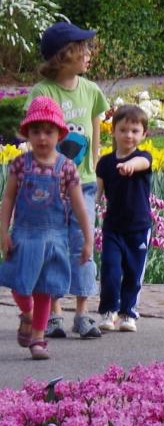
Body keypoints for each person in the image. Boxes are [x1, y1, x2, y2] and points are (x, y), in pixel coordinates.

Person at [27, 20, 107, 338]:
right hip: (51, 184)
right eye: (82, 49)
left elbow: (95, 129)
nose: (88, 54)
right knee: (53, 247)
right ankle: (55, 313)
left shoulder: (91, 91)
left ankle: (83, 313)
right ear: (64, 56)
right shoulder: (43, 92)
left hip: (83, 182)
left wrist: (96, 168)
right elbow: (36, 135)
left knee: (83, 245)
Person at [0, 97, 93, 360]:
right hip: (24, 235)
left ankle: (38, 338)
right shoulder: (20, 164)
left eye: (49, 132)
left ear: (60, 134)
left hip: (54, 238)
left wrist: (88, 240)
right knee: (19, 285)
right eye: (36, 131)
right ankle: (27, 313)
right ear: (27, 133)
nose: (42, 138)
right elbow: (8, 199)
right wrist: (3, 232)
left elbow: (80, 207)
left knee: (44, 289)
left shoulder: (67, 168)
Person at [95, 105, 153, 332]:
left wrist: (130, 165)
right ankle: (109, 311)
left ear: (143, 134)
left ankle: (128, 313)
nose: (128, 135)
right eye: (123, 130)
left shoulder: (143, 158)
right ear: (113, 131)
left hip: (138, 227)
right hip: (113, 227)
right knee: (110, 269)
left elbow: (143, 164)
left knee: (133, 272)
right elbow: (97, 192)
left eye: (135, 131)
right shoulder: (105, 163)